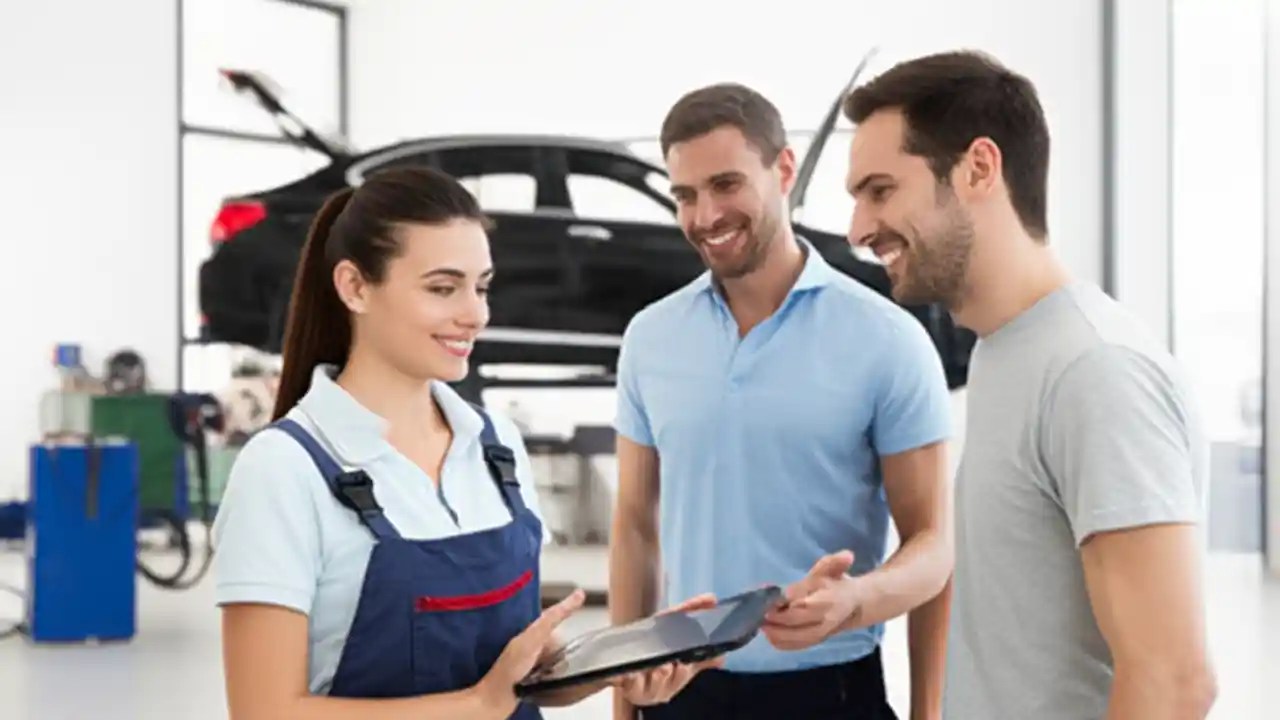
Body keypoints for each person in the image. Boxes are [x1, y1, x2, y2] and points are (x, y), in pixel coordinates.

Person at [212, 166, 718, 719]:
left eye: (481, 287)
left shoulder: (496, 444)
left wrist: (615, 667)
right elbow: (263, 712)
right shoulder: (285, 468)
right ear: (355, 286)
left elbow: (517, 674)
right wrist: (475, 706)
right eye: (442, 288)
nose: (475, 314)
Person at [826, 50, 1218, 718]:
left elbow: (1174, 681)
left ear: (979, 168)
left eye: (881, 190)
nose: (858, 229)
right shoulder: (1005, 349)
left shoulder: (1095, 371)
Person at [608, 83, 955, 720]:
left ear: (784, 169)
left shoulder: (888, 339)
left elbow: (934, 545)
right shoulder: (650, 338)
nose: (705, 215)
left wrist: (865, 609)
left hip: (831, 693)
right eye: (684, 195)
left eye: (726, 184)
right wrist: (624, 704)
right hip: (684, 692)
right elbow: (634, 524)